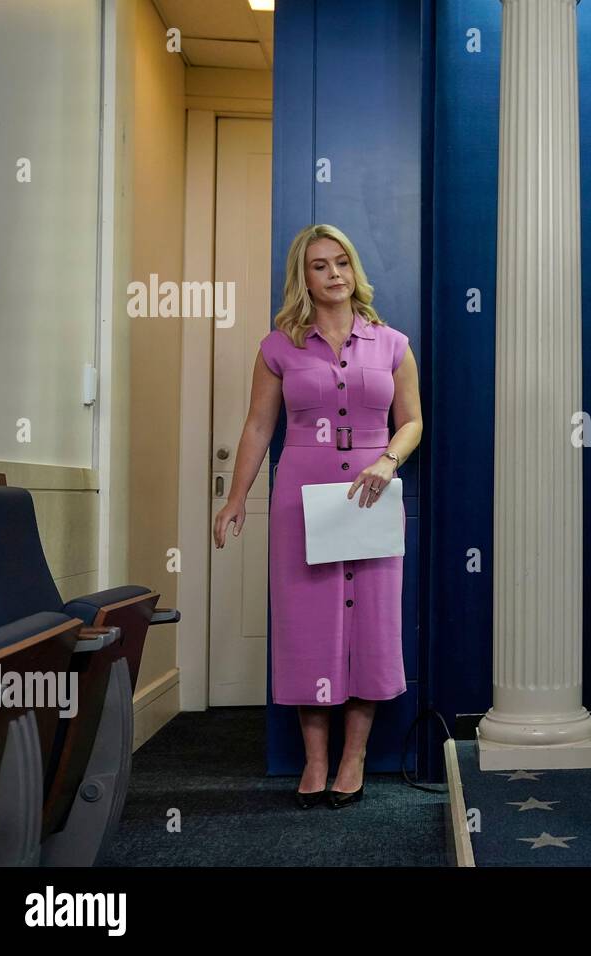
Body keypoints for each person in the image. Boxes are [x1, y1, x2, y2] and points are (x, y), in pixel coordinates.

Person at [213, 224, 423, 810]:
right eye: (319, 266)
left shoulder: (392, 344)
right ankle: (314, 761)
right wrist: (235, 499)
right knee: (310, 626)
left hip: (370, 491)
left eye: (341, 263)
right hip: (302, 493)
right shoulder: (278, 346)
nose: (333, 274)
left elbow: (413, 420)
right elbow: (258, 427)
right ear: (302, 278)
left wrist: (387, 460)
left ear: (354, 271)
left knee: (371, 627)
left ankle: (353, 759)